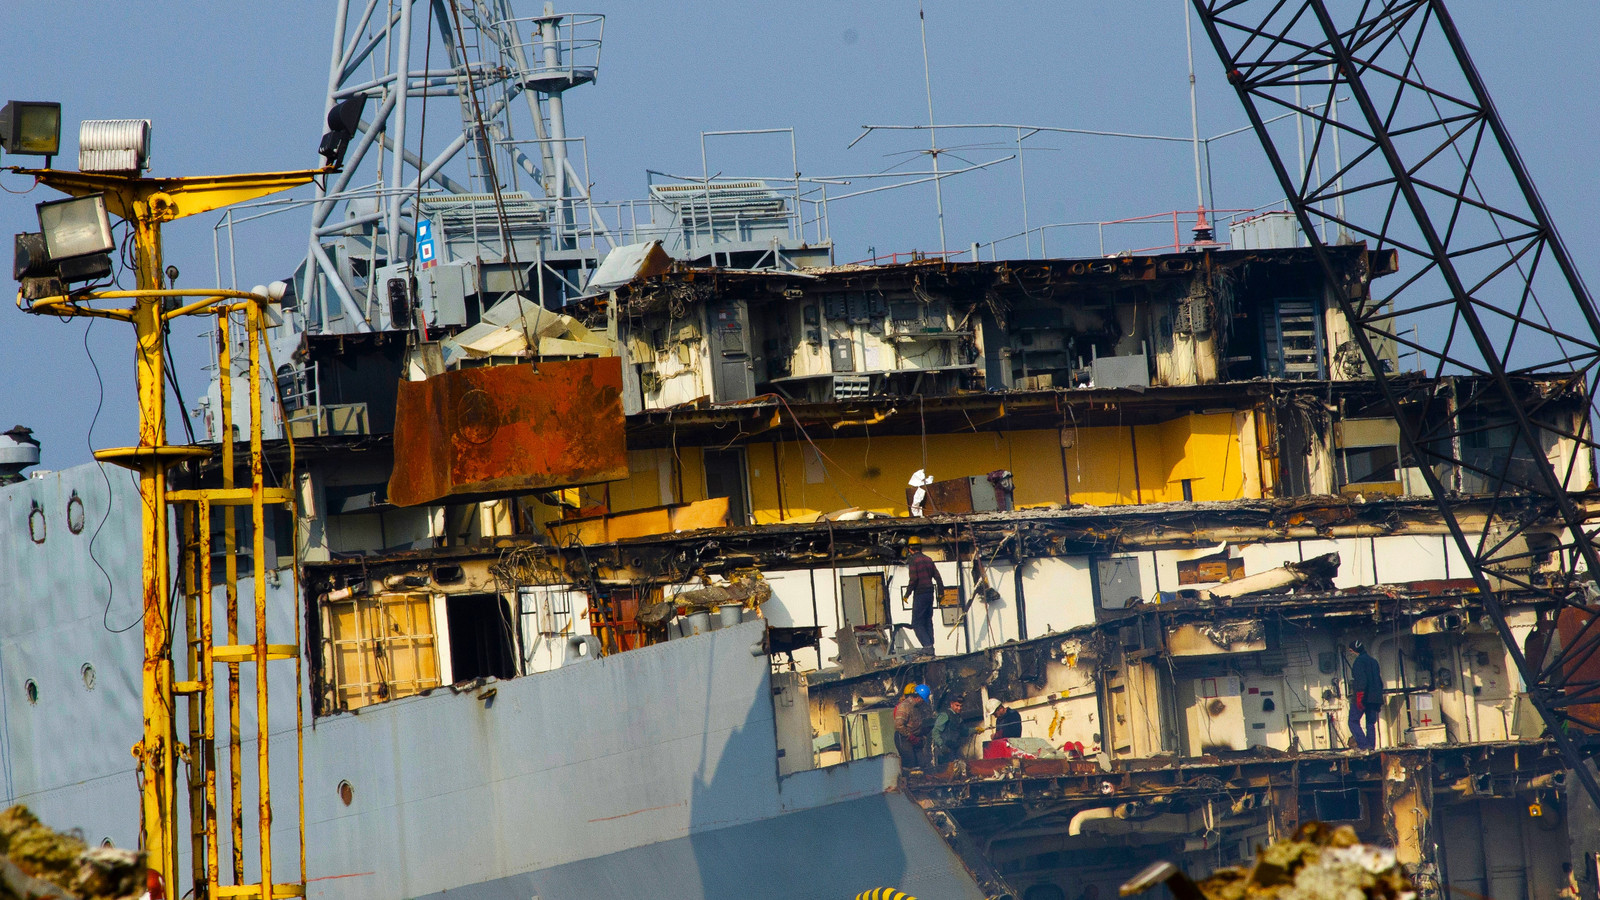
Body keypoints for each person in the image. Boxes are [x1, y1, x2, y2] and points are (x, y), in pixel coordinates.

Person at [905, 536, 944, 650]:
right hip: (930, 593)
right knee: (927, 620)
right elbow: (938, 577)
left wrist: (907, 594)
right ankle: (931, 645)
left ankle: (927, 647)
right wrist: (941, 593)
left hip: (920, 594)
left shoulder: (913, 560)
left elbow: (914, 579)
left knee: (916, 623)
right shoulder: (928, 559)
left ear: (909, 549)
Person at [1347, 639, 1384, 750]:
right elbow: (1379, 681)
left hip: (1363, 696)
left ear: (1354, 650)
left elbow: (1361, 681)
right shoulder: (1374, 661)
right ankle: (1371, 747)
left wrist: (1359, 697)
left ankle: (1363, 746)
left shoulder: (1358, 662)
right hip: (1375, 698)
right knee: (1370, 723)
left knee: (1353, 721)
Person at [893, 683, 931, 769]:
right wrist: (911, 737)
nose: (923, 703)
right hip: (904, 738)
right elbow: (899, 726)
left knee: (921, 764)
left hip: (914, 738)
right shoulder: (904, 706)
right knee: (910, 764)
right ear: (918, 698)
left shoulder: (916, 707)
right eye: (923, 700)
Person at [930, 696, 967, 767]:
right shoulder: (945, 715)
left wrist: (975, 730)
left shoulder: (958, 717)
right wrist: (941, 745)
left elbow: (963, 732)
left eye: (961, 706)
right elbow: (935, 731)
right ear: (951, 704)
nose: (959, 708)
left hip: (954, 749)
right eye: (957, 705)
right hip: (945, 751)